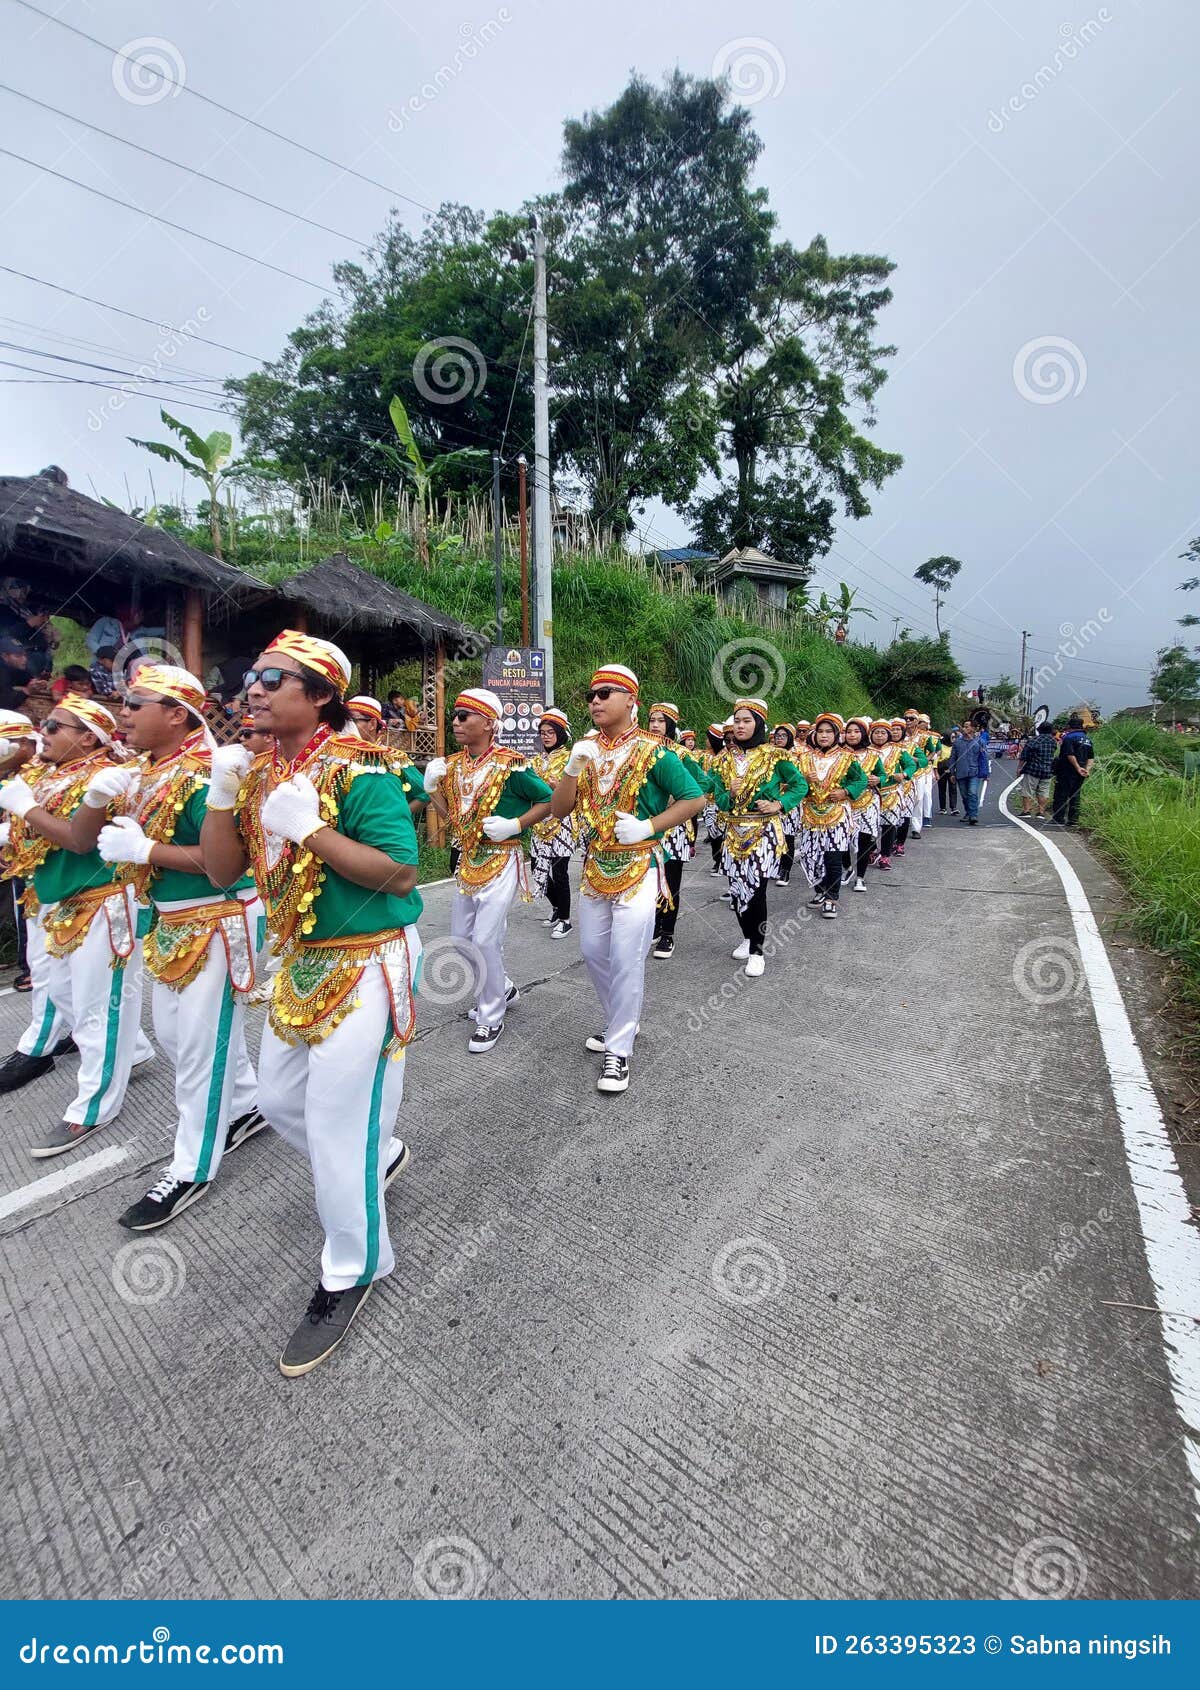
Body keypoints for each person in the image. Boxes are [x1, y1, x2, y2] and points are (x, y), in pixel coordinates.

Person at [200, 629, 424, 1378]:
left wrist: (313, 831)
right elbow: (219, 868)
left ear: (321, 695)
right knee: (279, 1100)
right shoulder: (259, 773)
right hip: (300, 964)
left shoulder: (362, 772)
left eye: (273, 678)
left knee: (333, 1123)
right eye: (252, 679)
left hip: (366, 961)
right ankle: (380, 1156)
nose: (253, 690)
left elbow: (398, 873)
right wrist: (222, 793)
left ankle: (352, 1267)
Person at [92, 665, 265, 1231]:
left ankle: (191, 1166)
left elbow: (230, 870)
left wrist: (146, 852)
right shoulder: (144, 772)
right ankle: (245, 1104)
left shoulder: (201, 777)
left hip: (217, 920)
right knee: (180, 1037)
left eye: (137, 703)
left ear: (176, 714)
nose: (125, 712)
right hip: (169, 921)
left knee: (197, 1047)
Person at [0, 698, 154, 1154]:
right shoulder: (48, 773)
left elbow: (78, 840)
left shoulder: (105, 778)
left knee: (96, 1008)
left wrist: (25, 810)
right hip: (58, 899)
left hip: (102, 900)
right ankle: (136, 1051)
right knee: (69, 998)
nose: (41, 731)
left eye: (53, 725)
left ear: (88, 736)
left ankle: (94, 1106)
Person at [547, 664, 703, 1088]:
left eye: (605, 693)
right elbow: (560, 809)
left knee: (627, 956)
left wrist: (650, 827)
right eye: (591, 695)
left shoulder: (655, 750)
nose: (595, 701)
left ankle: (619, 1049)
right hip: (596, 866)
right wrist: (573, 768)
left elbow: (694, 797)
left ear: (631, 699)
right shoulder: (583, 750)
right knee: (594, 953)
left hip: (638, 865)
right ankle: (622, 1022)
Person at [423, 688, 552, 1054]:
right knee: (462, 938)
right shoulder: (454, 765)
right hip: (470, 859)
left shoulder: (512, 764)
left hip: (503, 859)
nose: (456, 721)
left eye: (464, 716)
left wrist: (515, 824)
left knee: (483, 940)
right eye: (456, 715)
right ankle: (503, 987)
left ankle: (491, 1014)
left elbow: (547, 800)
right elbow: (455, 819)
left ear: (489, 724)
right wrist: (432, 789)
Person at [709, 697, 805, 970]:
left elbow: (799, 786)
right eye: (737, 721)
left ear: (759, 724)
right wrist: (731, 793)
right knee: (737, 890)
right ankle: (747, 937)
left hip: (763, 831)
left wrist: (778, 804)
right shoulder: (723, 760)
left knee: (757, 890)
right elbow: (717, 797)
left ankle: (758, 951)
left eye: (746, 721)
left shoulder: (776, 755)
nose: (740, 726)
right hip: (733, 832)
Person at [791, 713, 867, 918]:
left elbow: (860, 781)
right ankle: (820, 890)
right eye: (820, 732)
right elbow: (791, 783)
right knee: (810, 856)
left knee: (832, 857)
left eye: (828, 732)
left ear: (836, 735)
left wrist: (846, 792)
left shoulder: (847, 758)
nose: (824, 736)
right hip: (810, 814)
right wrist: (804, 778)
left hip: (837, 814)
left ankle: (832, 897)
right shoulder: (804, 758)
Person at [648, 701, 704, 960]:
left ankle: (668, 934)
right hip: (647, 829)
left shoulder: (682, 755)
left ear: (670, 725)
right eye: (652, 720)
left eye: (661, 720)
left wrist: (677, 797)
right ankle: (655, 926)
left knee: (670, 882)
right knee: (650, 881)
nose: (655, 725)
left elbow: (704, 783)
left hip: (675, 831)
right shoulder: (643, 751)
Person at [0, 710, 45, 996]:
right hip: (20, 861)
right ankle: (30, 967)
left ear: (26, 744)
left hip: (40, 862)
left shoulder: (39, 772)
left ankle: (34, 971)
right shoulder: (13, 773)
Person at [529, 707, 576, 939]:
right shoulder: (536, 761)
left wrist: (558, 786)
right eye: (542, 732)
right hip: (539, 822)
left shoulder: (571, 759)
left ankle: (565, 920)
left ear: (560, 733)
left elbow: (578, 792)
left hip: (563, 822)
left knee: (559, 871)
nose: (546, 736)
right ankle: (557, 907)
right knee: (535, 866)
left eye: (550, 732)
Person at [841, 717, 881, 891]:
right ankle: (847, 868)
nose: (852, 735)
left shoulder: (873, 755)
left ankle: (860, 877)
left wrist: (879, 779)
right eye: (849, 731)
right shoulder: (839, 754)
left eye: (856, 731)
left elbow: (883, 775)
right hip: (844, 802)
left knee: (864, 839)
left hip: (867, 802)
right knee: (841, 839)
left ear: (864, 733)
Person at [872, 719, 915, 870]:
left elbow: (911, 765)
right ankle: (871, 850)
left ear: (888, 734)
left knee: (888, 827)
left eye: (883, 732)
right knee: (868, 826)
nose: (879, 736)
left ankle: (884, 857)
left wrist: (903, 774)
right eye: (876, 732)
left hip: (891, 793)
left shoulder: (898, 750)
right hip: (870, 795)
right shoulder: (865, 751)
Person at [1051, 715, 1095, 826]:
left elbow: (1069, 754)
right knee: (1075, 795)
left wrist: (1077, 767)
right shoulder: (1088, 740)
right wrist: (1086, 769)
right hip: (1081, 772)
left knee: (1062, 794)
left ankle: (1059, 818)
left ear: (1070, 727)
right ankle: (1073, 820)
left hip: (1067, 770)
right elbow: (1091, 757)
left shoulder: (1069, 738)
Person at [770, 724, 798, 886]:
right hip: (771, 802)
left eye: (783, 736)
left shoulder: (797, 757)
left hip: (789, 803)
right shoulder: (769, 755)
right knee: (773, 836)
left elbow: (799, 782)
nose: (779, 738)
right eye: (777, 735)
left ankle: (785, 870)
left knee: (787, 837)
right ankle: (773, 866)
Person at [948, 721, 989, 824]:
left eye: (967, 726)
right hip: (961, 773)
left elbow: (984, 758)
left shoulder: (980, 742)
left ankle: (973, 815)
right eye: (964, 726)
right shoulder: (957, 742)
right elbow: (952, 758)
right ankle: (968, 813)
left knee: (972, 793)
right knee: (964, 795)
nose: (965, 728)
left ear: (973, 729)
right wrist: (952, 773)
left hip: (974, 772)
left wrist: (986, 773)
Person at [1018, 720, 1058, 822]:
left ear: (1039, 730)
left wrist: (1019, 768)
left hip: (1033, 769)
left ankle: (1027, 810)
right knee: (1043, 792)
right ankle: (1041, 812)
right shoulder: (1053, 742)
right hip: (1047, 770)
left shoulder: (1034, 741)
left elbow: (1024, 756)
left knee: (1027, 790)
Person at [936, 732, 957, 815]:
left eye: (955, 737)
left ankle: (953, 807)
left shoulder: (955, 746)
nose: (954, 739)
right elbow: (936, 759)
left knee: (953, 788)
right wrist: (936, 771)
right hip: (942, 769)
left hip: (952, 770)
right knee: (942, 789)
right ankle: (942, 808)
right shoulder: (940, 746)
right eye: (952, 737)